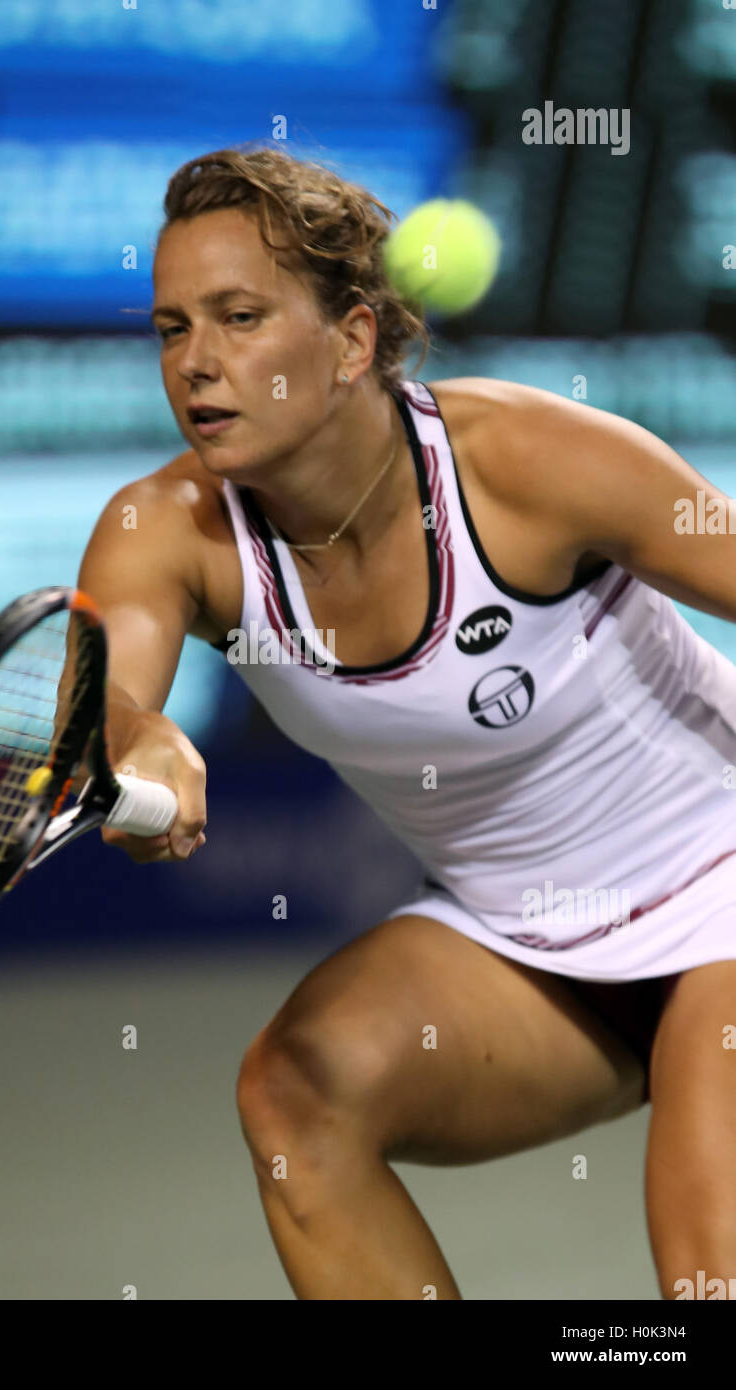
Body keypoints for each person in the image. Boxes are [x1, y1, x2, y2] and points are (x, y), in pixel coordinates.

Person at [77, 146, 736, 1300]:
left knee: (707, 1282)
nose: (198, 363)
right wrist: (138, 745)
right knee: (295, 1091)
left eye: (240, 317)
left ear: (353, 341)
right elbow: (118, 704)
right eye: (172, 327)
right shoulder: (163, 526)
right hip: (526, 954)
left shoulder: (534, 462)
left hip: (724, 877)